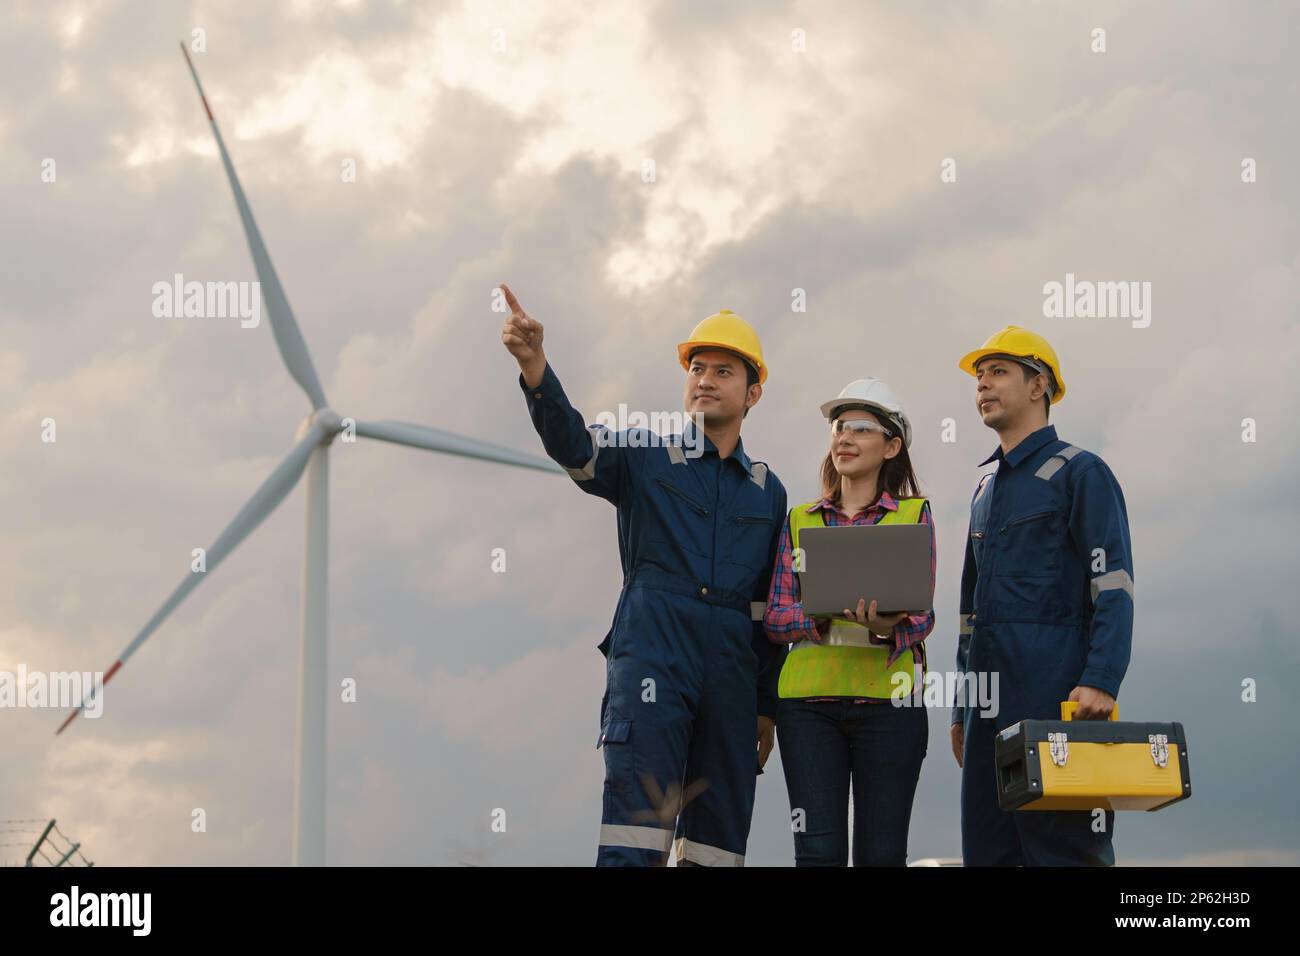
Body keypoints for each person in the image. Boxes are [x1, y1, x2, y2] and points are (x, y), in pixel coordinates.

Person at [500, 285, 788, 867]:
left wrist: (764, 705)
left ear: (753, 392)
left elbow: (766, 605)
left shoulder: (768, 490)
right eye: (697, 368)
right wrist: (536, 369)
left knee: (718, 843)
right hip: (654, 657)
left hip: (731, 679)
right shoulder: (643, 454)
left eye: (723, 371)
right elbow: (575, 448)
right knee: (637, 832)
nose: (705, 379)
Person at [951, 326, 1134, 866]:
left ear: (1040, 386)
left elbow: (1114, 585)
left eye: (998, 372)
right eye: (979, 377)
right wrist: (962, 705)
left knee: (1065, 850)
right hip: (989, 706)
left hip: (1057, 696)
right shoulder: (984, 491)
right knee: (989, 851)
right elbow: (969, 614)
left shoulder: (1082, 473)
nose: (983, 385)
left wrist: (1101, 678)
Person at [763, 379, 935, 866]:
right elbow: (775, 618)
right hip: (809, 710)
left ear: (891, 446)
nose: (844, 437)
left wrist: (883, 627)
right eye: (839, 427)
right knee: (818, 855)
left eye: (861, 428)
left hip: (890, 708)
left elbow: (923, 616)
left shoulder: (914, 515)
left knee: (882, 855)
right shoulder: (799, 520)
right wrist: (814, 616)